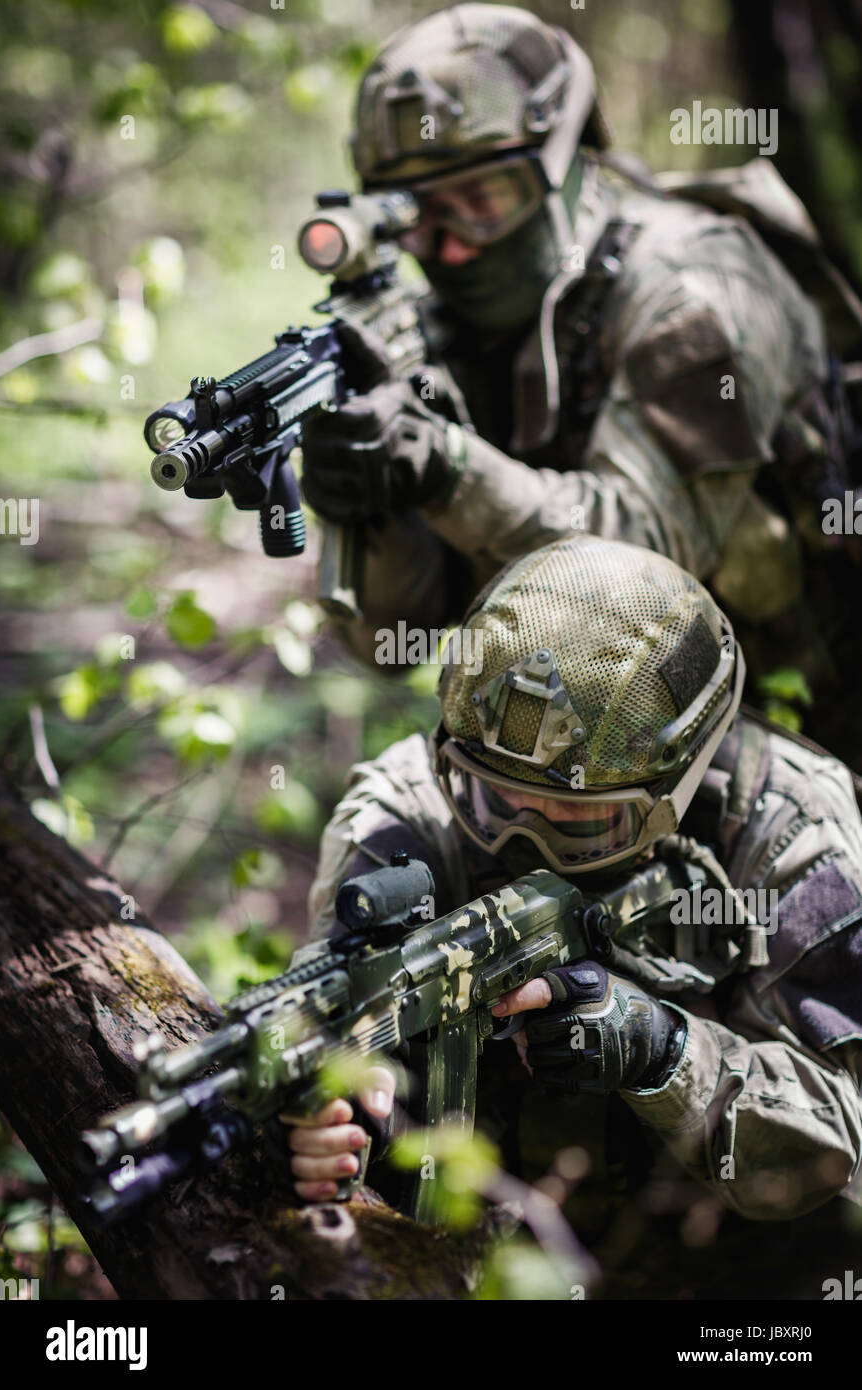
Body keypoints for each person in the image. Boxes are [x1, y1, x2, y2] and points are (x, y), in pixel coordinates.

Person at [285, 535, 862, 1298]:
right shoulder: (406, 810)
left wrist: (662, 1051)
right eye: (497, 804)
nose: (527, 846)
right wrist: (321, 1123)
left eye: (580, 821)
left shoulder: (791, 832)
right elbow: (332, 1006)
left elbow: (839, 1134)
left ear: (676, 791)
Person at [299, 3, 862, 769]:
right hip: (590, 780)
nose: (453, 248)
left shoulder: (693, 290)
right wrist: (375, 504)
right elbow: (392, 644)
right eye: (416, 217)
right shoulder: (442, 333)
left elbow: (642, 560)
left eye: (486, 200)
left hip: (811, 745)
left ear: (565, 165)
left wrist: (448, 469)